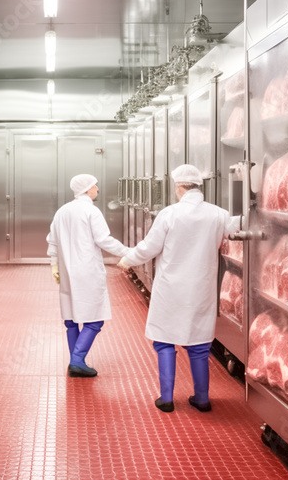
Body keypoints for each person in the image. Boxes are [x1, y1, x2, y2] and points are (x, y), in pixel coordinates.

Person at [118, 164, 240, 412]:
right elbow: (238, 229)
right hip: (201, 289)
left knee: (164, 341)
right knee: (198, 346)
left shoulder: (170, 214)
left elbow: (149, 247)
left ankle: (166, 399)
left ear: (180, 187)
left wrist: (127, 259)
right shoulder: (218, 214)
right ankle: (202, 399)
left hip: (171, 289)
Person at [47, 173, 129, 378]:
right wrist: (129, 252)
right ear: (87, 189)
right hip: (87, 271)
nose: (97, 189)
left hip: (67, 271)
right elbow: (104, 240)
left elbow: (53, 241)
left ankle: (76, 360)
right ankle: (77, 360)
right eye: (95, 186)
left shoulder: (62, 211)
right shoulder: (91, 211)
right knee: (95, 318)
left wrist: (54, 265)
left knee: (71, 318)